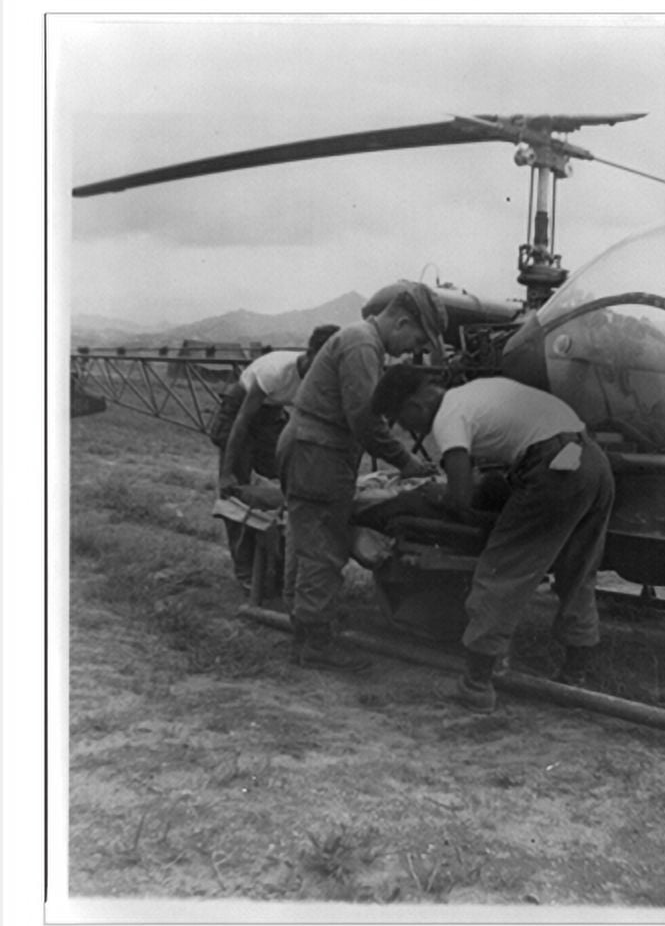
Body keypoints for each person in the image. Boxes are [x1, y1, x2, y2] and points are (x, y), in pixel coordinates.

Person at [371, 365, 615, 713]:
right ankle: (577, 673)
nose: (408, 427)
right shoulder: (476, 391)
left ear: (415, 405)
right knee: (578, 569)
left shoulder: (447, 416)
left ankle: (476, 684)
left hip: (554, 468)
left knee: (501, 572)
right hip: (592, 460)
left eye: (401, 419)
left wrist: (437, 496)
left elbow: (459, 496)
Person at [277, 281, 446, 671]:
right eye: (416, 340)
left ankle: (305, 630)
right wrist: (406, 462)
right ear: (401, 322)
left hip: (312, 449)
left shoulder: (360, 340)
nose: (410, 350)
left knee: (307, 541)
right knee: (323, 547)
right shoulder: (362, 344)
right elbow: (365, 419)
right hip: (319, 454)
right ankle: (317, 643)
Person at [209, 324, 340, 587]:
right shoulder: (276, 371)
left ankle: (277, 567)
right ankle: (246, 573)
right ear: (310, 353)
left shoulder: (324, 376)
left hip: (272, 414)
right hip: (241, 408)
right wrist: (226, 473)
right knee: (235, 492)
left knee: (290, 481)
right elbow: (241, 423)